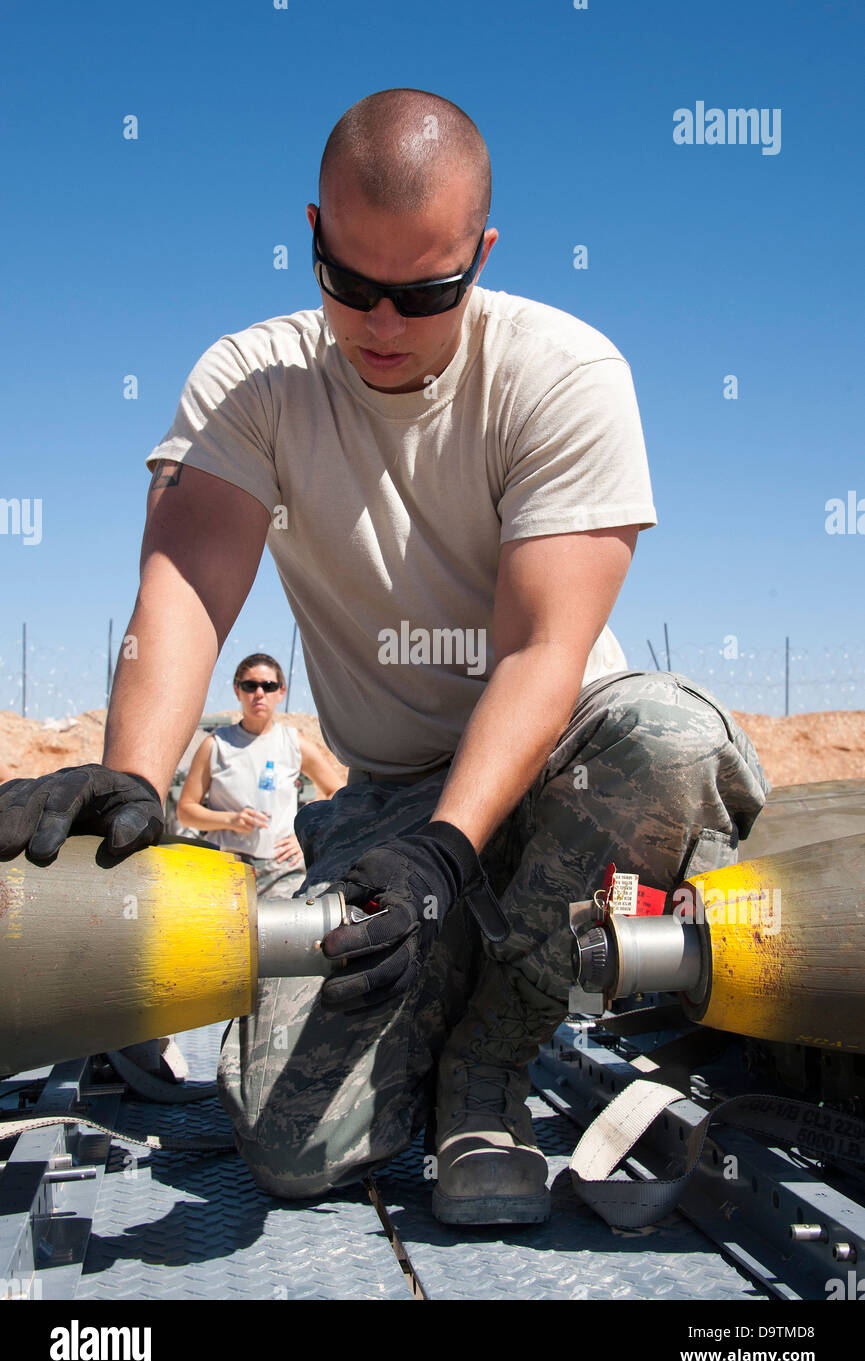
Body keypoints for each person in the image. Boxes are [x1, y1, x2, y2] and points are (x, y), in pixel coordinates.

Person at [0, 88, 769, 1227]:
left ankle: (489, 1065)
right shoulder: (249, 386)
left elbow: (539, 649)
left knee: (670, 734)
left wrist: (451, 855)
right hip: (389, 799)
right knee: (294, 1149)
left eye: (425, 291)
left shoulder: (562, 372)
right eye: (350, 282)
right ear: (311, 232)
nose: (382, 322)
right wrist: (135, 774)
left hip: (560, 765)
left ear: (481, 254)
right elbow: (183, 594)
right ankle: (453, 960)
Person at [176, 652, 343, 897]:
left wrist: (308, 835)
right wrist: (231, 820)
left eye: (268, 686)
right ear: (237, 690)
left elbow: (337, 791)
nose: (259, 693)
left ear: (281, 692)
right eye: (250, 685)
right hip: (227, 868)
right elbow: (186, 810)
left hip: (283, 871)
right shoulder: (216, 745)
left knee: (289, 933)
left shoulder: (294, 743)